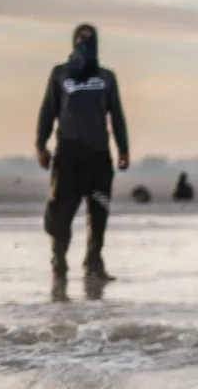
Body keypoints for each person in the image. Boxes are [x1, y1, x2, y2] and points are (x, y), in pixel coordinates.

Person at [35, 23, 128, 281]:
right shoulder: (60, 74)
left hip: (98, 155)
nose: (83, 43)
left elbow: (117, 115)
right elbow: (47, 111)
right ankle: (59, 262)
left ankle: (94, 263)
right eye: (79, 38)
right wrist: (40, 145)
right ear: (72, 41)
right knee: (60, 214)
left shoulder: (106, 77)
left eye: (88, 38)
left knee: (98, 212)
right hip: (67, 156)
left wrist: (124, 149)